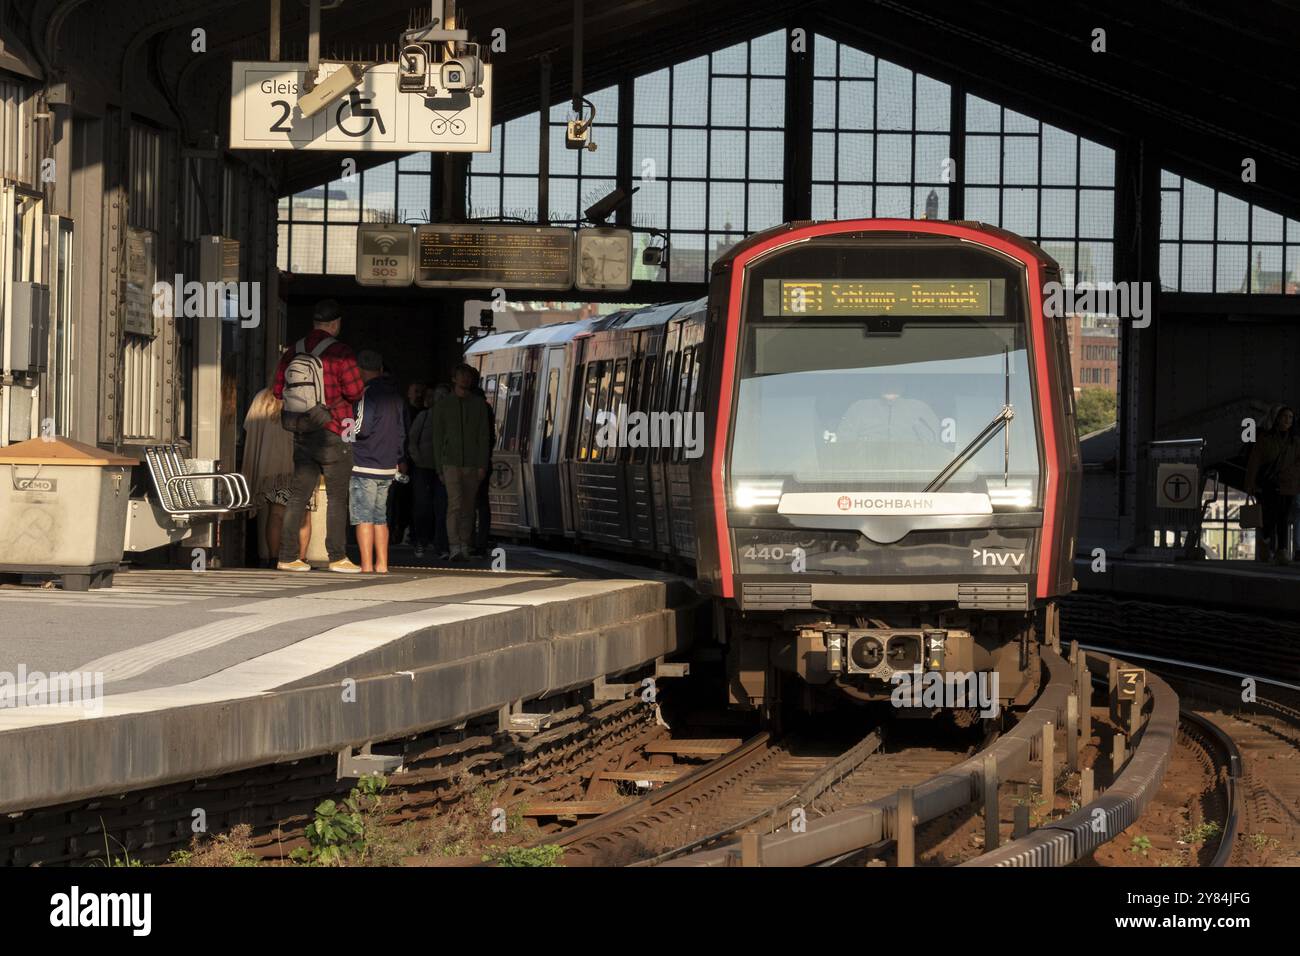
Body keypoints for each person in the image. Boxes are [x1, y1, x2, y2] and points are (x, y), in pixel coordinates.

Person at [271, 299, 364, 573]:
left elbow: (278, 391)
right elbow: (356, 392)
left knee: (298, 495)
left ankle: (287, 557)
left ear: (314, 323)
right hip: (336, 429)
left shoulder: (293, 351)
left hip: (302, 431)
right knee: (337, 497)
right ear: (335, 324)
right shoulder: (341, 352)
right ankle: (337, 557)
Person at [350, 350, 409, 573]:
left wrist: (346, 434)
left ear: (359, 371)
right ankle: (382, 564)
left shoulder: (367, 394)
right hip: (387, 466)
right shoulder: (396, 396)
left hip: (365, 462)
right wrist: (398, 458)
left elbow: (361, 428)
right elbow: (402, 432)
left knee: (363, 516)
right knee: (380, 517)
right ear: (381, 369)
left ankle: (366, 565)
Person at [241, 382, 311, 566]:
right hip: (301, 466)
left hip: (273, 468)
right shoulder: (307, 397)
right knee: (303, 515)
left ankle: (274, 558)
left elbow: (250, 428)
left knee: (276, 514)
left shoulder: (263, 398)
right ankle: (301, 558)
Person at [430, 364, 491, 561]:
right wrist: (439, 466)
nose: (465, 379)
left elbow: (484, 437)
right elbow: (438, 438)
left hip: (472, 463)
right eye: (461, 375)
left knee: (468, 506)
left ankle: (464, 544)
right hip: (451, 463)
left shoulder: (479, 405)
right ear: (454, 379)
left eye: (468, 376)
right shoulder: (443, 406)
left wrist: (482, 464)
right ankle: (455, 545)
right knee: (455, 504)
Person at [1245, 404, 1300, 564]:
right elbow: (1254, 462)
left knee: (1283, 517)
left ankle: (1281, 551)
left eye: (1290, 417)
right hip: (1269, 483)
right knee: (1270, 516)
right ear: (1276, 419)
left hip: (1288, 484)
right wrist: (1250, 483)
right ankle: (1267, 542)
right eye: (1284, 417)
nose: (1287, 420)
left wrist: (1290, 474)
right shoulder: (1265, 439)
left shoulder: (1295, 442)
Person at [409, 383, 449, 559]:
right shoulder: (424, 417)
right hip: (423, 468)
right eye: (438, 397)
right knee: (423, 506)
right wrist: (417, 459)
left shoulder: (450, 420)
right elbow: (412, 440)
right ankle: (421, 540)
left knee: (442, 508)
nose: (441, 401)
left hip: (443, 469)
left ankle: (440, 544)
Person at [470, 367, 496, 557]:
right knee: (482, 503)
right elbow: (490, 438)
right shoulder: (486, 406)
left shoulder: (469, 405)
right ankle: (481, 541)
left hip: (468, 462)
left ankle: (468, 541)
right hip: (484, 461)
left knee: (466, 504)